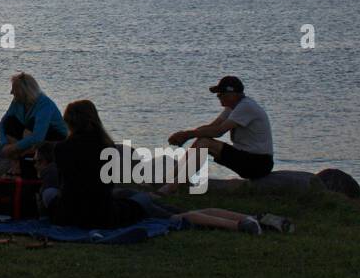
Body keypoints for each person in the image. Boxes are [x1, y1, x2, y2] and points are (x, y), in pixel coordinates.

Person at [56, 99, 262, 234]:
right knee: (171, 213)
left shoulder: (61, 149)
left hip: (70, 214)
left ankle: (248, 219)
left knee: (133, 195)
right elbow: (102, 187)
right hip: (102, 216)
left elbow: (77, 183)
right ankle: (240, 224)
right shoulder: (107, 149)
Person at [167, 75, 274, 182]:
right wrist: (187, 136)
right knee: (202, 141)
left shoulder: (246, 106)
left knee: (205, 143)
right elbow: (212, 126)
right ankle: (170, 177)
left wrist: (186, 134)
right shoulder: (233, 107)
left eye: (220, 94)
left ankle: (173, 185)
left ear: (232, 94)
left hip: (259, 163)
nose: (218, 96)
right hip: (246, 157)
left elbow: (219, 131)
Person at [0, 72, 68, 179]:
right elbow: (2, 123)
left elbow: (37, 137)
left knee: (30, 126)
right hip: (30, 137)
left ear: (24, 90)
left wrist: (13, 148)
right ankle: (17, 165)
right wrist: (4, 144)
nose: (11, 92)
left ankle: (24, 160)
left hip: (55, 137)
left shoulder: (44, 104)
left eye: (14, 89)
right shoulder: (17, 102)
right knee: (9, 122)